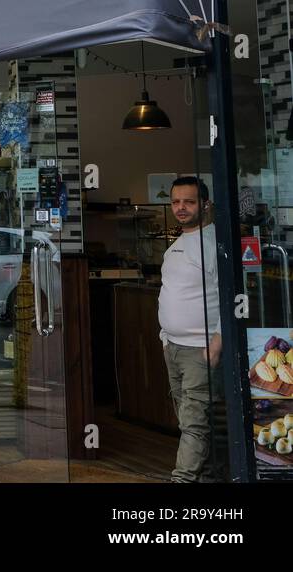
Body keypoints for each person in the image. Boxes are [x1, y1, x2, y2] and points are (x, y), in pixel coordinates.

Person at [158, 176, 225, 482]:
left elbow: (233, 296)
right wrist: (164, 339)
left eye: (189, 201)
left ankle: (181, 480)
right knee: (190, 421)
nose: (181, 208)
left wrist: (217, 341)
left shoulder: (212, 243)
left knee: (194, 422)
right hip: (174, 347)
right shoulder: (174, 247)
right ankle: (208, 478)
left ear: (205, 204)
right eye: (175, 202)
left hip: (201, 349)